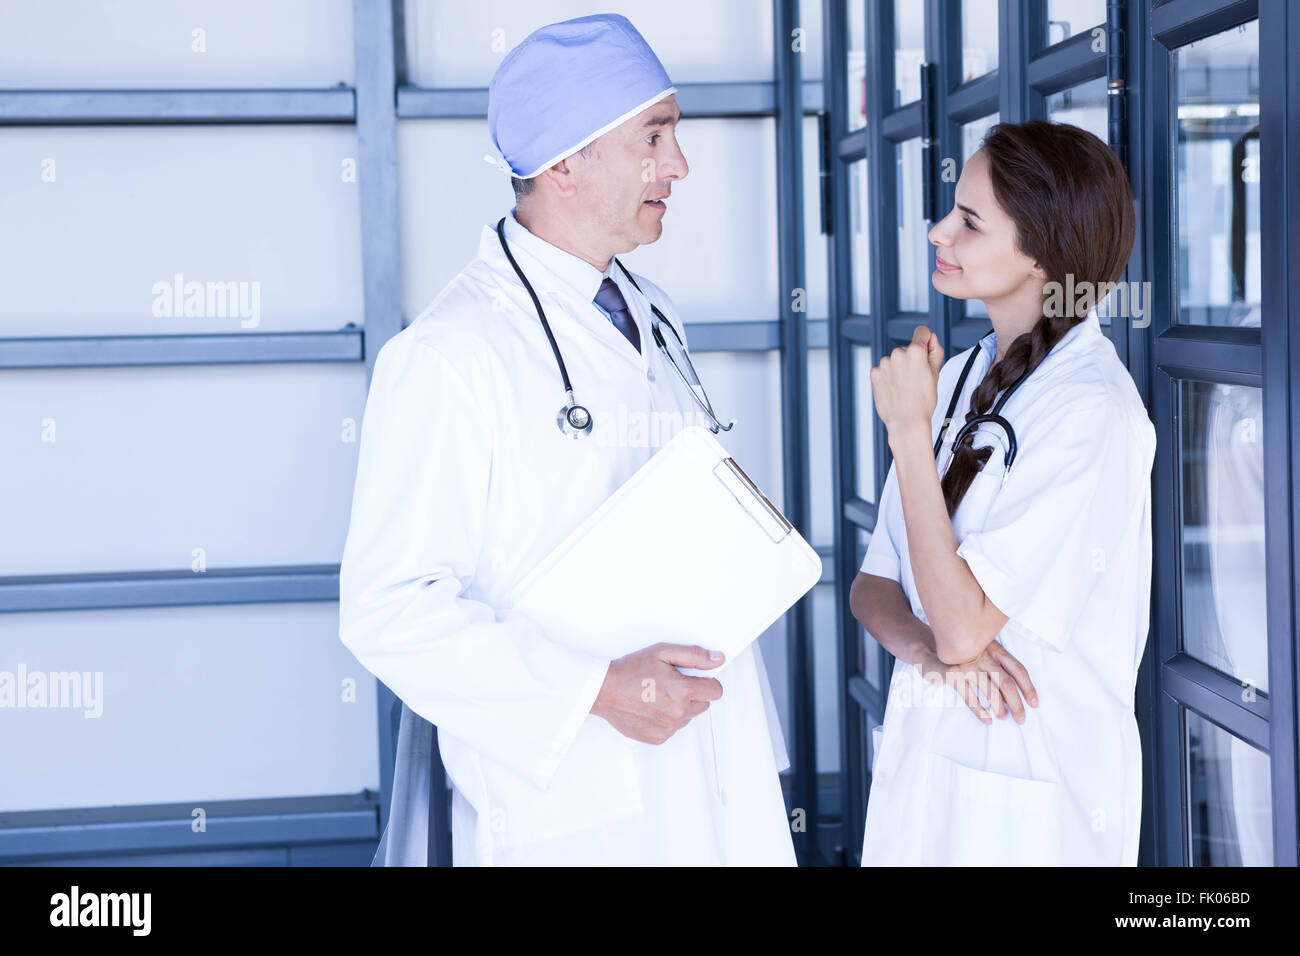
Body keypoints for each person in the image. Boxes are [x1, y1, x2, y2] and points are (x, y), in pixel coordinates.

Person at [338, 13, 794, 866]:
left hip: (707, 759)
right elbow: (388, 609)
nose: (680, 165)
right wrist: (596, 689)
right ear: (562, 163)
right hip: (576, 802)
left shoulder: (652, 313)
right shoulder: (450, 355)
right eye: (655, 138)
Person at [850, 120, 1156, 865]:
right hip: (932, 769)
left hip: (1035, 790)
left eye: (969, 221)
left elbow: (964, 626)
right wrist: (929, 660)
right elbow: (872, 589)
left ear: (1042, 256)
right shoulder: (955, 376)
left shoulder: (1091, 411)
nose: (937, 231)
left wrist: (907, 435)